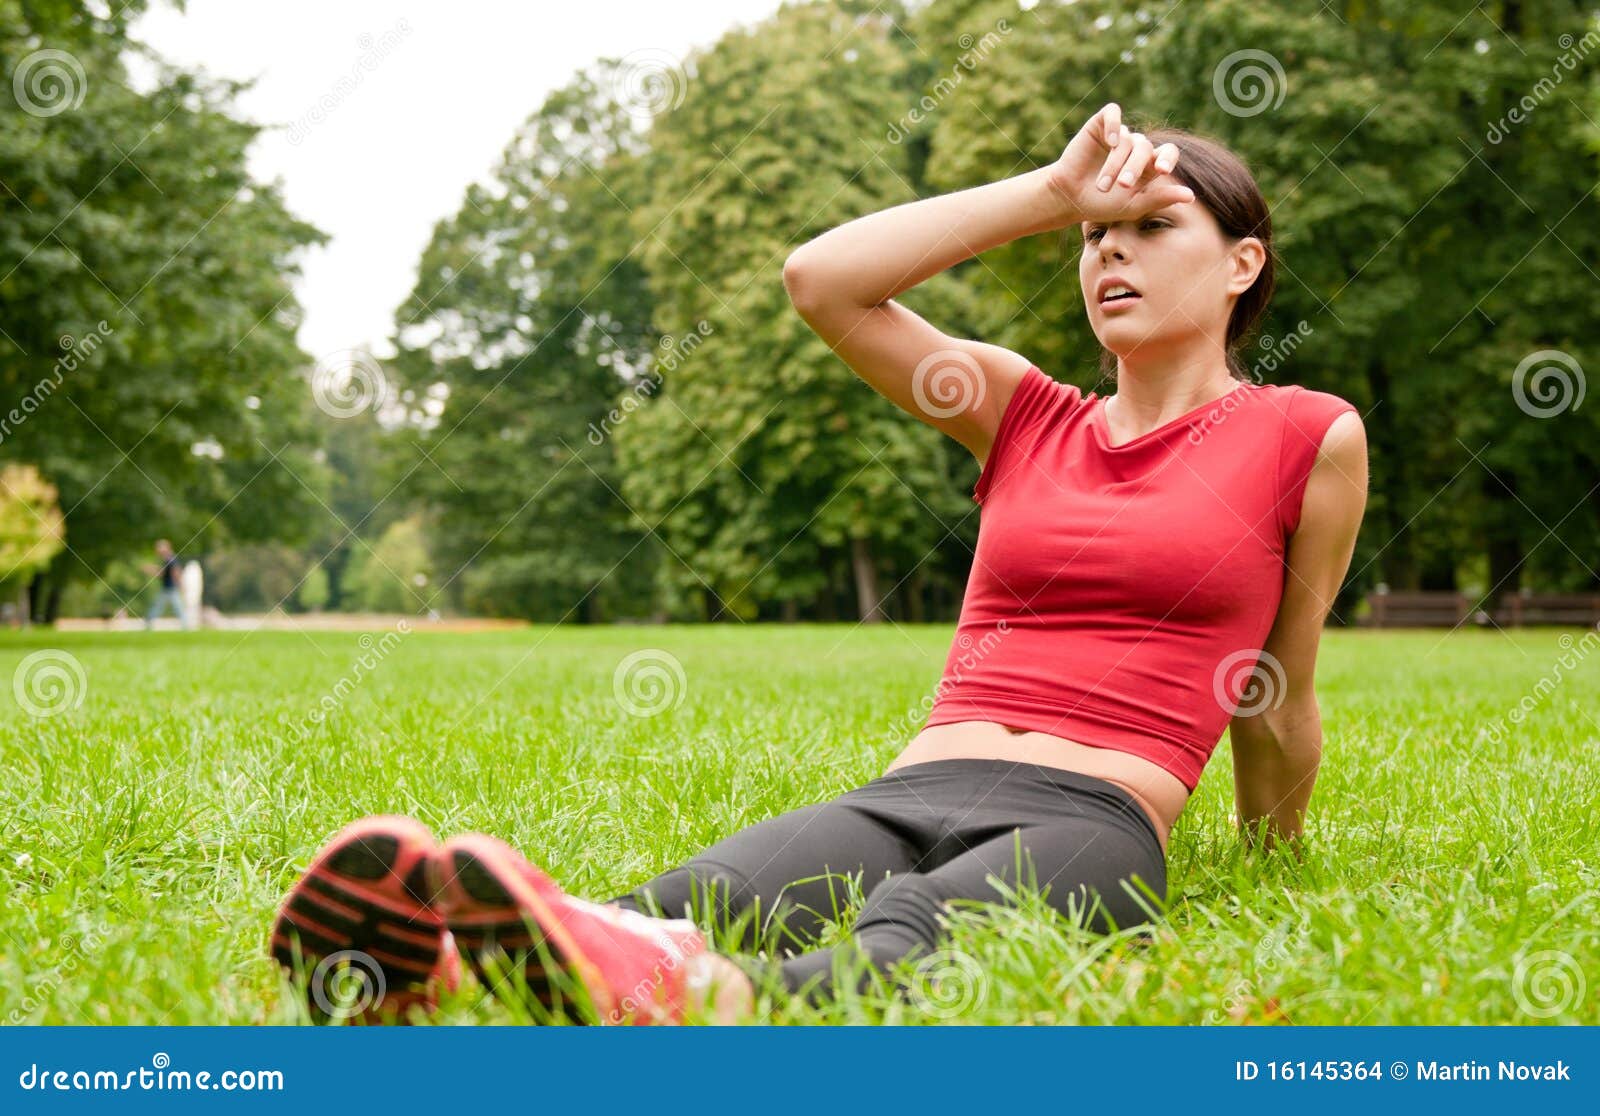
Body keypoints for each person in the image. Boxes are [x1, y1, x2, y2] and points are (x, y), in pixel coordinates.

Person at [268, 103, 1368, 1025]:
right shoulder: (1022, 412)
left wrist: (1268, 869)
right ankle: (436, 975)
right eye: (1095, 236)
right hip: (913, 788)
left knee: (913, 932)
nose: (1109, 251)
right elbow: (823, 280)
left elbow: (1277, 689)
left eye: (1151, 225)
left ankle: (718, 1006)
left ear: (1242, 263)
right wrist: (1049, 192)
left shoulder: (1306, 436)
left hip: (1095, 816)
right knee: (693, 900)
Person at [143, 539, 191, 630]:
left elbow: (175, 572)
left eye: (160, 547)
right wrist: (152, 569)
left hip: (171, 588)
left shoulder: (171, 559)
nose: (158, 550)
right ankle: (148, 623)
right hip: (167, 588)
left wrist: (181, 585)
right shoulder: (167, 559)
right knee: (158, 606)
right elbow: (164, 572)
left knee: (176, 607)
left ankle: (185, 625)